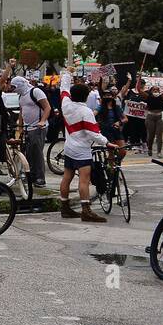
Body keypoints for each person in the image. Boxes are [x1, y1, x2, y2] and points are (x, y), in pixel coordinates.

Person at [56, 74, 114, 222]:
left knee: (67, 177)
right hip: (82, 150)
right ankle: (86, 211)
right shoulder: (86, 111)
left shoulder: (66, 103)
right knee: (84, 180)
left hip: (68, 147)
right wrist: (106, 143)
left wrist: (68, 74)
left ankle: (65, 207)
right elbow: (93, 133)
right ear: (86, 96)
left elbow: (63, 88)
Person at [9, 74, 51, 191]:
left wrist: (42, 121)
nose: (13, 89)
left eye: (14, 86)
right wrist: (20, 127)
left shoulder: (36, 92)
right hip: (27, 128)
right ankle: (31, 175)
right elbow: (21, 112)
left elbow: (47, 108)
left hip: (38, 128)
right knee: (28, 152)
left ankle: (40, 178)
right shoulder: (21, 96)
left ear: (20, 84)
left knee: (37, 152)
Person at [145, 83, 163, 156]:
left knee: (159, 135)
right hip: (150, 118)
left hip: (159, 118)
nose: (156, 91)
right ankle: (149, 148)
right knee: (150, 136)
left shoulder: (161, 97)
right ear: (151, 91)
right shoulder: (148, 97)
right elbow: (139, 89)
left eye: (157, 90)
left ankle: (159, 152)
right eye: (154, 89)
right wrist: (139, 78)